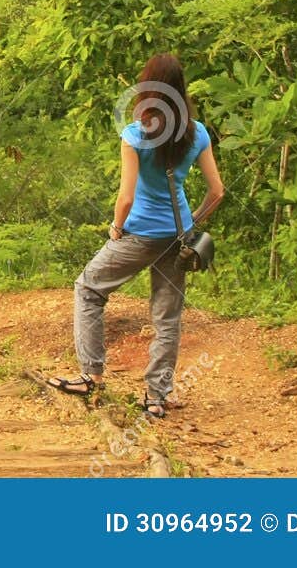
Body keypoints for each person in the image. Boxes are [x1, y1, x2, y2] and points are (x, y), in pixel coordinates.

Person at [47, 53, 225, 418]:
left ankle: (91, 375)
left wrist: (115, 229)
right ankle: (156, 399)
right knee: (167, 318)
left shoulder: (135, 135)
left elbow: (126, 197)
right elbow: (217, 191)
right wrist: (191, 220)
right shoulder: (198, 132)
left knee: (88, 289)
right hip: (177, 237)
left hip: (139, 234)